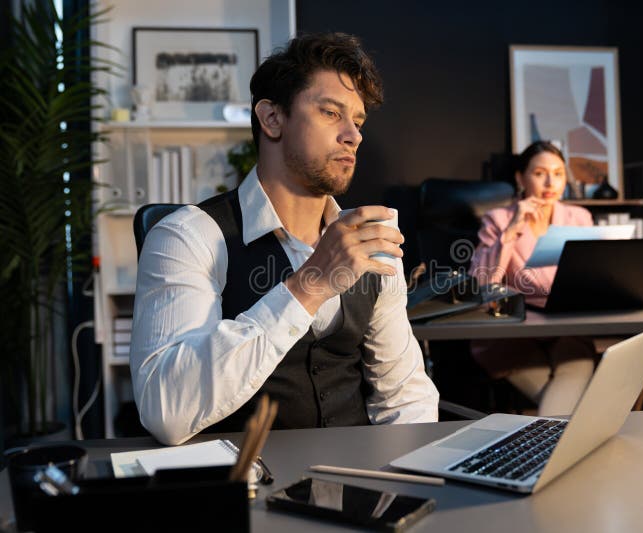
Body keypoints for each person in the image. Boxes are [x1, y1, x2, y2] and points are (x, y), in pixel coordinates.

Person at [130, 32, 439, 445]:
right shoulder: (187, 236)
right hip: (245, 479)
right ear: (272, 118)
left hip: (361, 477)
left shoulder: (369, 242)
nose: (354, 135)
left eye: (358, 121)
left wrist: (408, 473)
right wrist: (310, 284)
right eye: (331, 112)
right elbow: (165, 411)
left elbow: (405, 396)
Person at [469, 140, 596, 416]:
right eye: (539, 174)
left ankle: (548, 440)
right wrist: (511, 231)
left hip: (566, 329)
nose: (550, 182)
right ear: (520, 178)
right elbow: (481, 285)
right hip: (512, 335)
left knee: (576, 365)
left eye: (558, 174)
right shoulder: (498, 219)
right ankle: (559, 441)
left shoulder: (579, 218)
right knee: (575, 402)